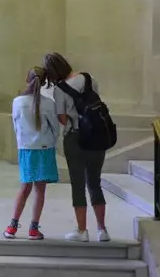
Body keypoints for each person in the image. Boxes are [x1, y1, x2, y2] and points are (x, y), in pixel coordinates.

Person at [43, 51, 110, 242]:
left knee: (78, 185)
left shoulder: (59, 89)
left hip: (75, 138)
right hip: (97, 136)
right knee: (95, 182)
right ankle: (102, 229)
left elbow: (63, 118)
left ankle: (82, 230)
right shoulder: (89, 79)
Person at [4, 67, 59, 240]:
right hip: (44, 148)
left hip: (26, 148)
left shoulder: (17, 101)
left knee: (25, 187)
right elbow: (55, 129)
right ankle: (34, 229)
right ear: (44, 82)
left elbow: (16, 125)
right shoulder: (49, 103)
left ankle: (12, 226)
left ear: (27, 79)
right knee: (40, 190)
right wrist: (49, 141)